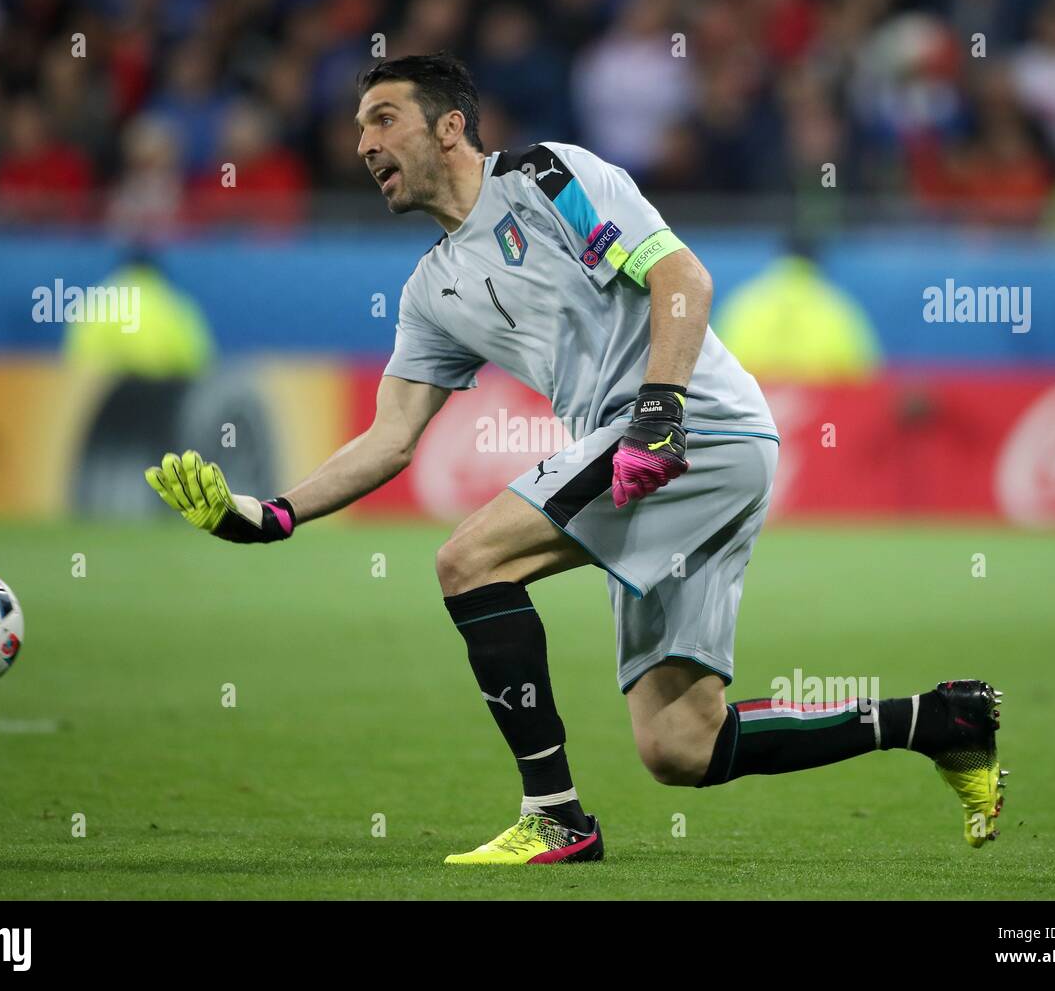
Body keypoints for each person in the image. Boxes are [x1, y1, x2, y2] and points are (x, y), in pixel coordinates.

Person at [146, 54, 1004, 863]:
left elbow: (685, 282)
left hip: (688, 423)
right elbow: (390, 437)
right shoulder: (429, 291)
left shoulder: (549, 179)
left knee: (469, 559)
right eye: (358, 127)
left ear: (449, 128)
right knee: (682, 746)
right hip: (654, 453)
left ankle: (554, 817)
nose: (363, 143)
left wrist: (660, 411)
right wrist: (275, 512)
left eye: (382, 118)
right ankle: (944, 723)